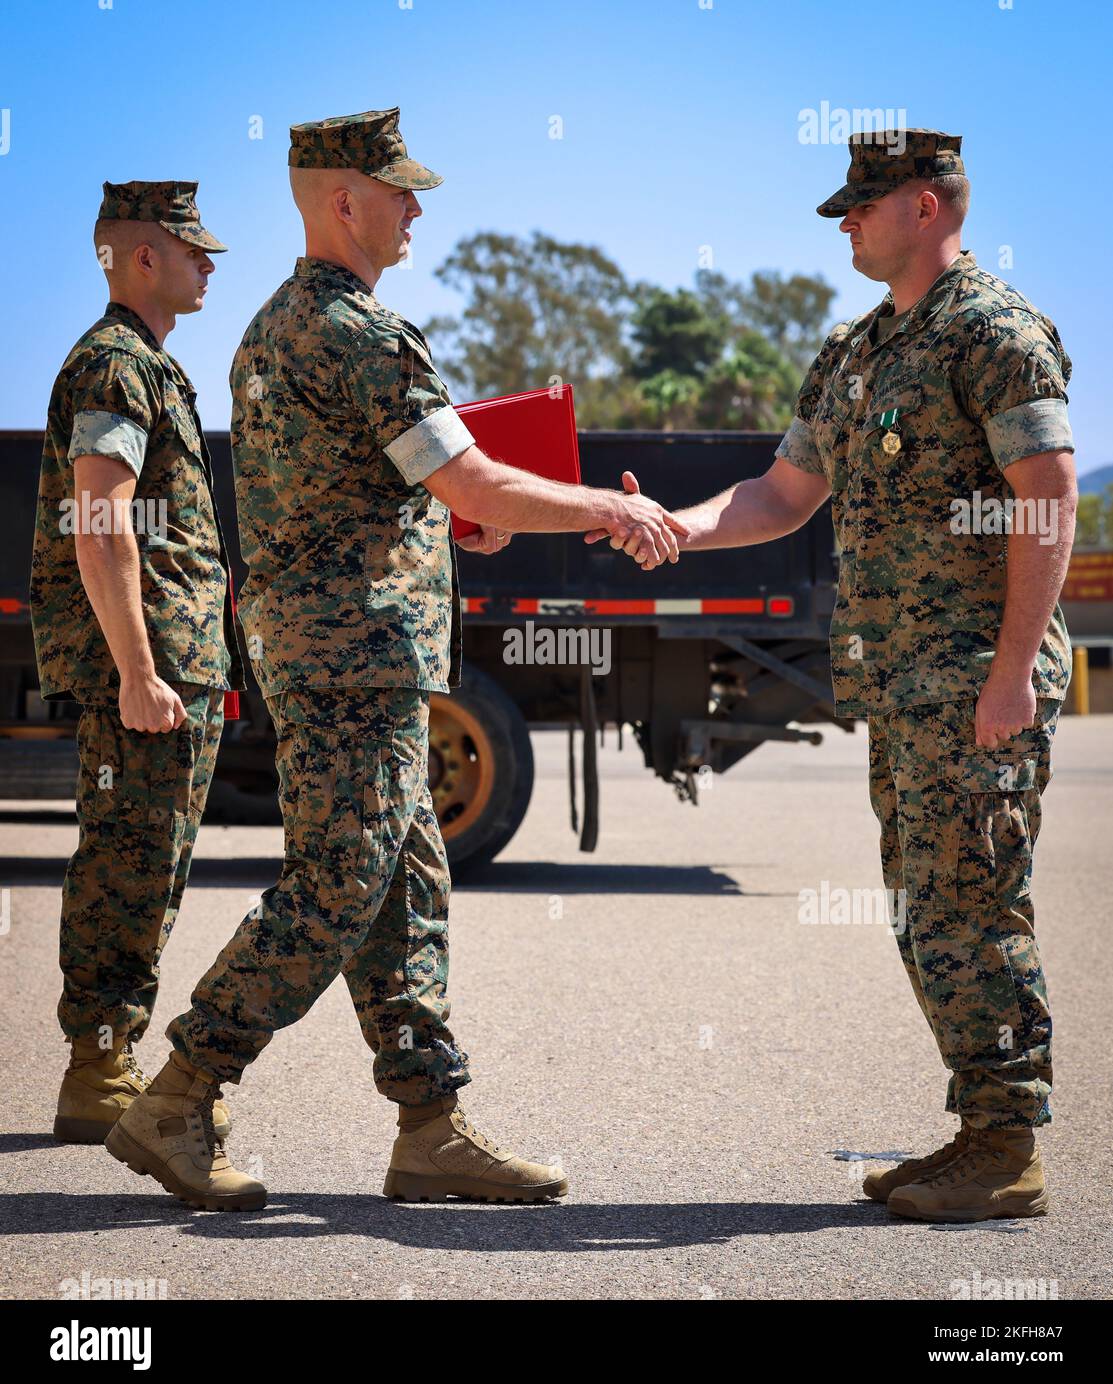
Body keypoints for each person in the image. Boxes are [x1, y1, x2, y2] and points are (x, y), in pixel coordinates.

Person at [105, 108, 686, 1211]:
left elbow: (380, 488)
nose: (417, 208)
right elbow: (472, 479)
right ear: (342, 201)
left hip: (335, 646)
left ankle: (431, 1127)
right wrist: (610, 516)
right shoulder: (358, 332)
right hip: (353, 655)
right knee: (339, 881)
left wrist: (444, 522)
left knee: (403, 885)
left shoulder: (277, 327)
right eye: (401, 190)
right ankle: (180, 1090)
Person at [597, 129, 1077, 1222]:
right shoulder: (855, 352)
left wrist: (1010, 676)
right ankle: (980, 1131)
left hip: (973, 686)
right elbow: (779, 497)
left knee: (973, 906)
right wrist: (672, 526)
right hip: (903, 689)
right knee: (925, 910)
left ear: (928, 205)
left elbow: (1048, 496)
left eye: (862, 206)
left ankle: (1006, 1146)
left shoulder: (993, 333)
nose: (846, 224)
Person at [30, 181, 245, 1144]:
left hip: (172, 663)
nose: (210, 263)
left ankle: (109, 1052)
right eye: (194, 249)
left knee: (154, 861)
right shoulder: (115, 365)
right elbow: (99, 520)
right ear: (143, 256)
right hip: (145, 672)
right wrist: (136, 671)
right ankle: (99, 1063)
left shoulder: (151, 366)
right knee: (130, 859)